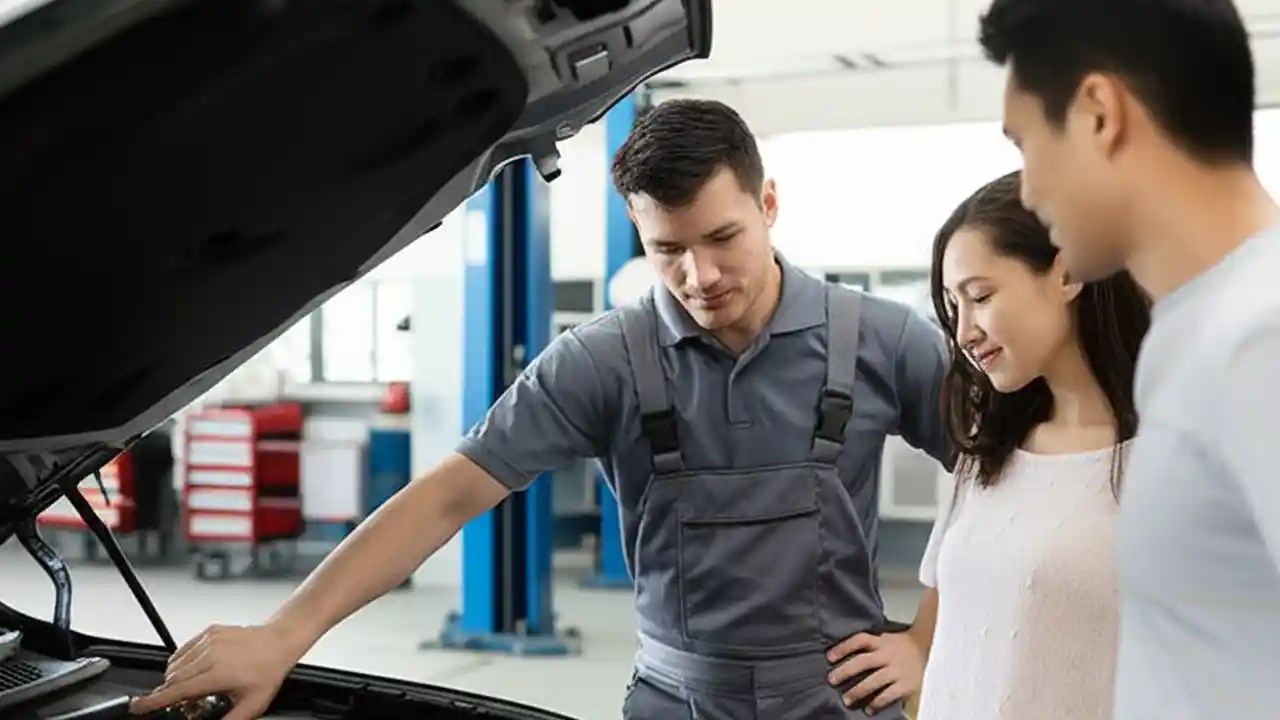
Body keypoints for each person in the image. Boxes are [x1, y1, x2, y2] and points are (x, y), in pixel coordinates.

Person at [129, 98, 953, 720]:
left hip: (839, 700)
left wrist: (925, 639)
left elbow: (1005, 479)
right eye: (667, 250)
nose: (699, 277)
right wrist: (284, 634)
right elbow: (446, 496)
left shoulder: (882, 340)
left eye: (722, 238)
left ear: (767, 204)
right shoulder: (605, 360)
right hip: (676, 701)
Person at [977, 0, 1280, 716]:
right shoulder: (1193, 334)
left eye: (1026, 145)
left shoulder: (1259, 336)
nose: (1028, 190)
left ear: (1098, 114)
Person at [834, 171, 1150, 718]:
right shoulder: (987, 454)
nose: (964, 333)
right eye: (953, 307)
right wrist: (916, 648)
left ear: (1069, 272)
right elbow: (953, 597)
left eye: (980, 296)